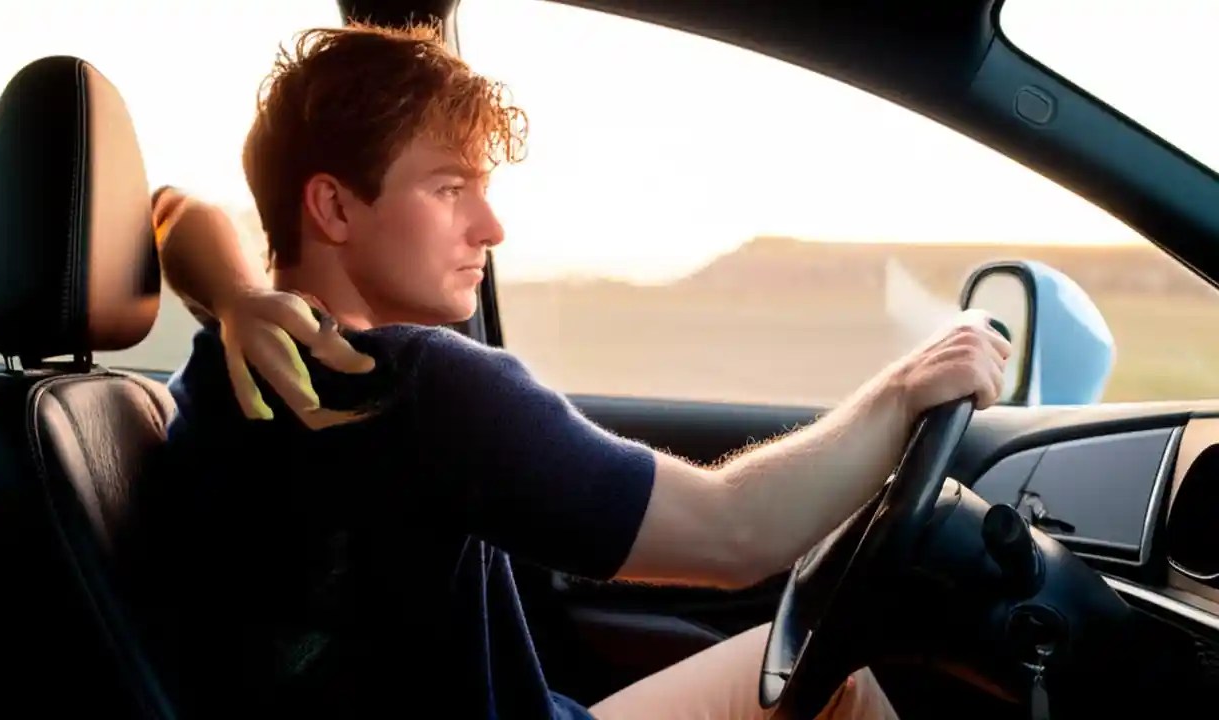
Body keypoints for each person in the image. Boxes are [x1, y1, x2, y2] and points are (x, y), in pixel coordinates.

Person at [143, 20, 1009, 720]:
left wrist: (233, 295)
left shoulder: (223, 370)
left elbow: (171, 208)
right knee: (841, 689)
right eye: (450, 188)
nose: (491, 225)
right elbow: (734, 534)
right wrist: (901, 393)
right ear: (332, 205)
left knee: (813, 674)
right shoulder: (418, 388)